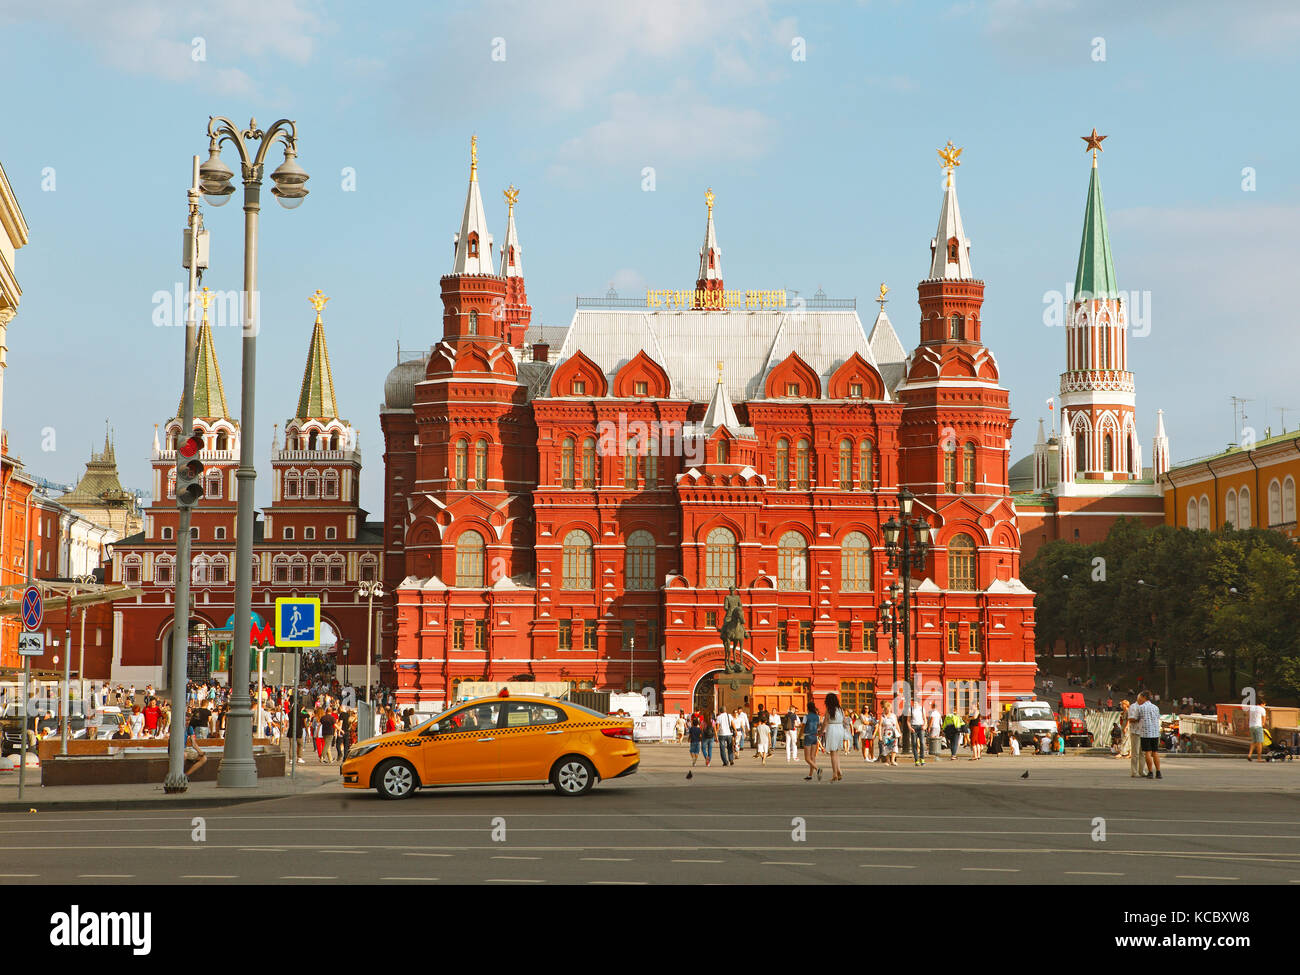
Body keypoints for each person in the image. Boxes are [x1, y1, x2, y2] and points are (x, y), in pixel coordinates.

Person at [1136, 691, 1163, 779]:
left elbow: (1138, 718)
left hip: (1145, 732)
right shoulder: (1156, 707)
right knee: (1155, 752)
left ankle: (1150, 772)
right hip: (1155, 732)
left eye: (1140, 697)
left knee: (1147, 752)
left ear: (1144, 697)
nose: (1139, 699)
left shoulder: (1141, 707)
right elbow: (1158, 717)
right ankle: (1158, 772)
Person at [821, 693, 846, 782]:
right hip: (840, 729)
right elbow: (845, 721)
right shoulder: (841, 709)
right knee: (836, 752)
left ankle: (835, 773)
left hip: (832, 729)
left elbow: (825, 722)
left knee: (833, 753)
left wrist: (821, 732)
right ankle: (839, 771)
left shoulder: (829, 710)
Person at [801, 700, 821, 780]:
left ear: (808, 708)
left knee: (807, 758)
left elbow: (803, 726)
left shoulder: (806, 716)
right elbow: (818, 726)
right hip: (814, 736)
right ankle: (810, 775)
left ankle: (818, 769)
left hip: (808, 736)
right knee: (813, 757)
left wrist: (800, 735)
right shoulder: (817, 716)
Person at [878, 702, 900, 767]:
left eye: (889, 709)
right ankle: (887, 761)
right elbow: (879, 726)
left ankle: (892, 760)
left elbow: (896, 724)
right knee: (886, 747)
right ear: (884, 709)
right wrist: (879, 735)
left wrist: (899, 731)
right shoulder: (882, 716)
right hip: (886, 733)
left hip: (893, 733)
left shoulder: (893, 716)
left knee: (894, 746)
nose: (888, 710)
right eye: (886, 709)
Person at [1126, 698, 1142, 778]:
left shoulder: (1144, 707)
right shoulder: (1133, 707)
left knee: (1143, 753)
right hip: (1135, 731)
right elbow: (1130, 719)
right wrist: (1139, 718)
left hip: (1144, 732)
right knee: (1135, 753)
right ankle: (1134, 771)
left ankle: (1142, 770)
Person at [908, 696, 926, 766]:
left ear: (918, 702)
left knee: (922, 743)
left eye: (916, 702)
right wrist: (910, 728)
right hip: (914, 727)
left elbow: (925, 719)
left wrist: (925, 725)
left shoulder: (922, 709)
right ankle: (916, 760)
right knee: (914, 744)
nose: (914, 703)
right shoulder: (911, 709)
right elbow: (908, 720)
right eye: (913, 702)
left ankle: (922, 758)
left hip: (921, 726)